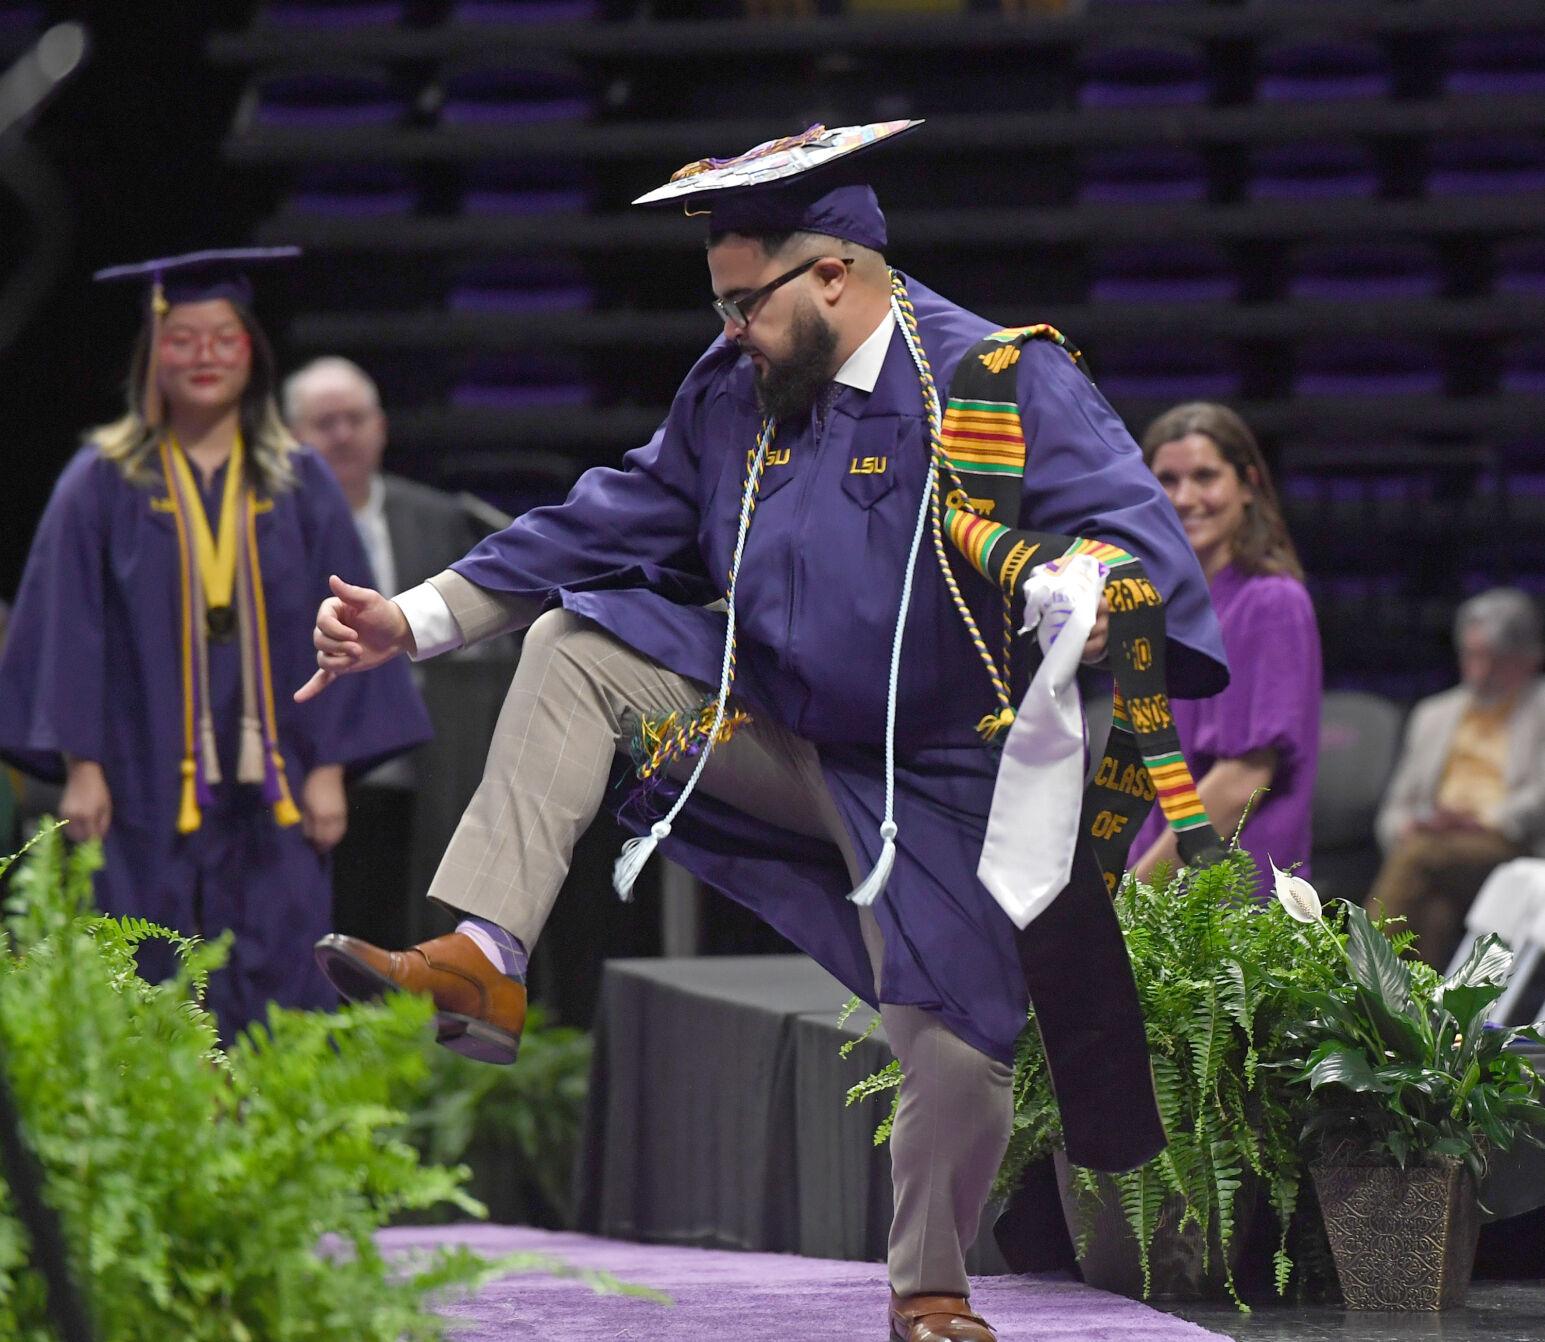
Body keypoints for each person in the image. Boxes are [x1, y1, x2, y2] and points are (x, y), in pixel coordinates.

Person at [297, 123, 1228, 1342]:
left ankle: (932, 1291)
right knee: (574, 647)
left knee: (952, 1039)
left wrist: (1092, 596)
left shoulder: (997, 379)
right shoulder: (736, 386)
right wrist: (413, 618)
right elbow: (611, 511)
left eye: (745, 301)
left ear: (834, 273)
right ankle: (486, 950)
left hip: (938, 771)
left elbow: (1138, 545)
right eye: (722, 305)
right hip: (772, 728)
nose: (728, 327)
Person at [0, 248, 430, 1038]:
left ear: (252, 354)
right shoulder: (100, 481)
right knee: (142, 971)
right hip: (136, 781)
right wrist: (81, 767)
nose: (204, 357)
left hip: (279, 780)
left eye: (223, 338)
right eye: (184, 339)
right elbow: (67, 625)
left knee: (280, 971)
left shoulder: (298, 479)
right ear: (152, 356)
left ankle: (265, 1147)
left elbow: (349, 622)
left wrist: (332, 768)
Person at [283, 355, 499, 947]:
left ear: (381, 427)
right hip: (308, 750)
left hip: (431, 751)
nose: (343, 434)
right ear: (292, 437)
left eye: (355, 418)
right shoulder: (270, 523)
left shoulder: (440, 516)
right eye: (325, 423)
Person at [1129, 402, 1322, 895]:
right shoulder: (1161, 606)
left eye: (1205, 476)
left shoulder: (1272, 602)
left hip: (1233, 908)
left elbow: (1241, 783)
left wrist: (1136, 895)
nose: (1185, 497)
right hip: (1169, 893)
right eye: (1167, 480)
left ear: (1248, 486)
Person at [1369, 587, 1545, 967]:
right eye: (1471, 655)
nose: (1480, 672)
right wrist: (1407, 827)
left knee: (1418, 855)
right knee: (1433, 913)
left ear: (1528, 658)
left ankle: (1353, 974)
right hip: (1435, 849)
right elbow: (1396, 805)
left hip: (1509, 846)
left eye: (1494, 660)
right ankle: (1420, 1019)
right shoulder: (1435, 714)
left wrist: (1479, 821)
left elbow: (1539, 795)